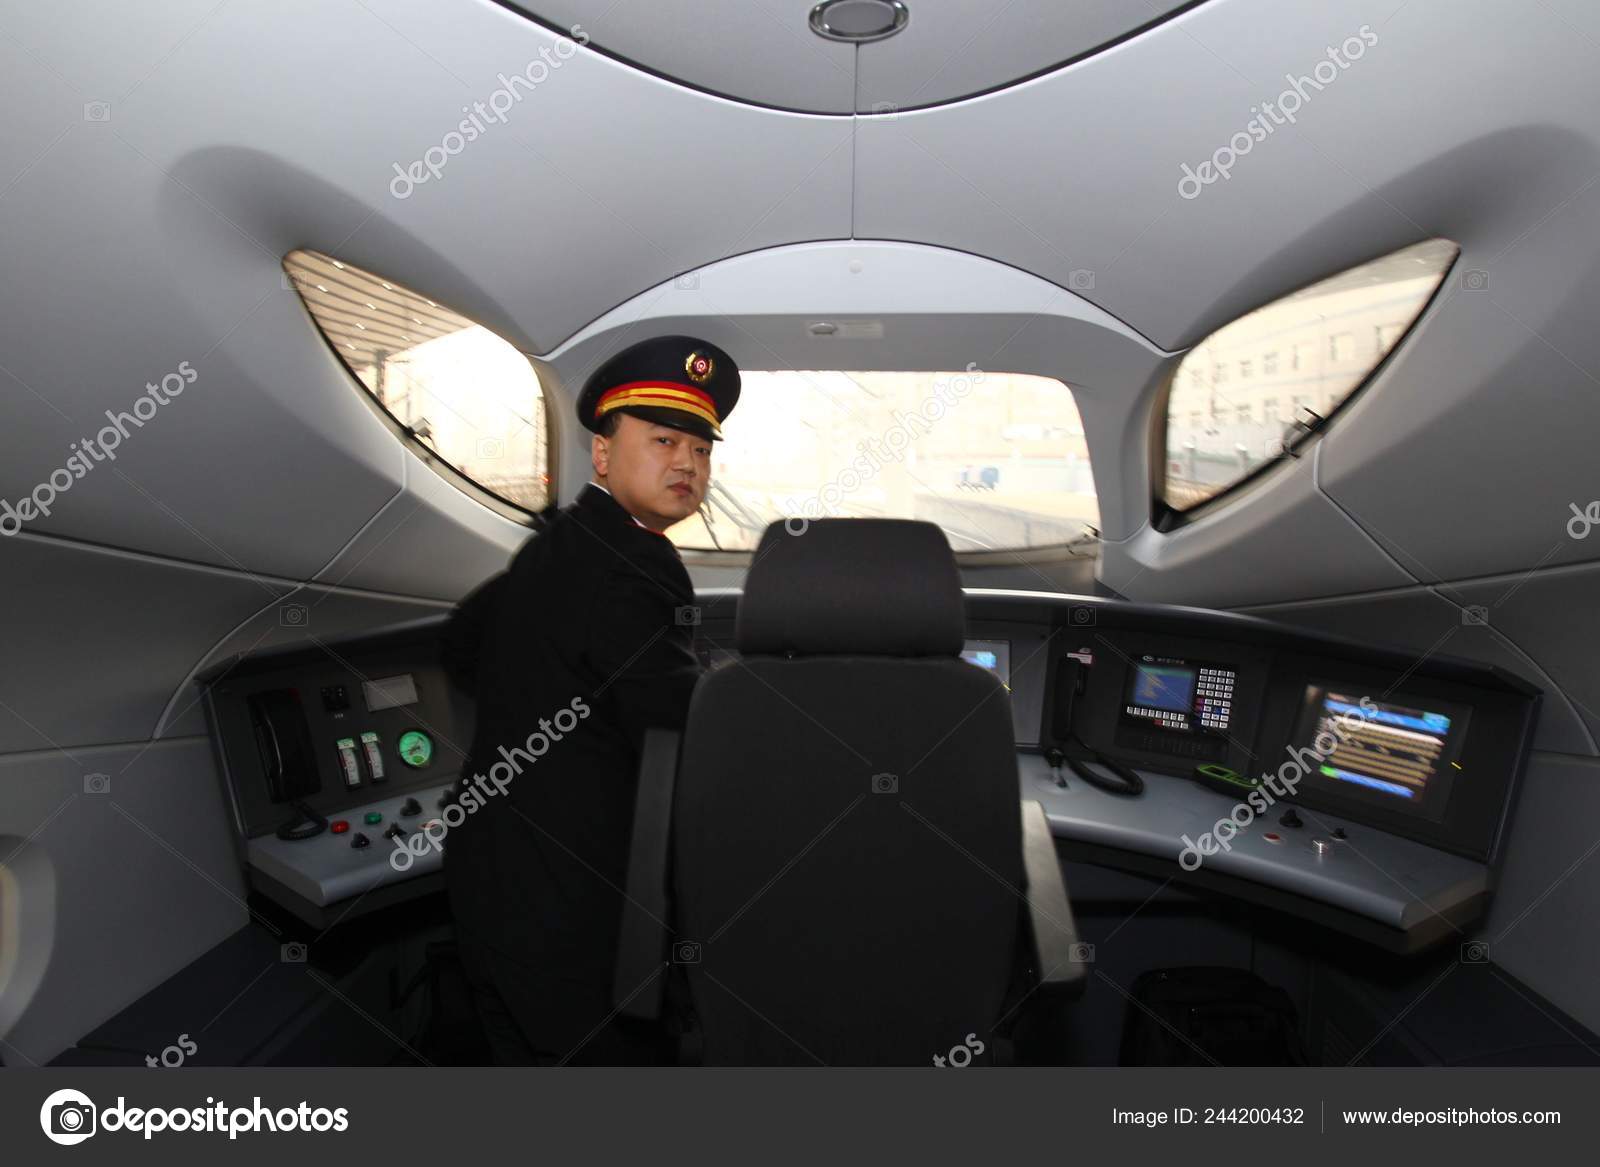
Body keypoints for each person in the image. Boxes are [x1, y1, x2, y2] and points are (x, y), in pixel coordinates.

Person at [441, 335, 740, 1065]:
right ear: (602, 453)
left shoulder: (559, 541)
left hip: (490, 880)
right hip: (565, 908)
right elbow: (681, 725)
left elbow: (460, 643)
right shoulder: (636, 567)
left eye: (702, 451)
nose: (687, 464)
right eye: (664, 439)